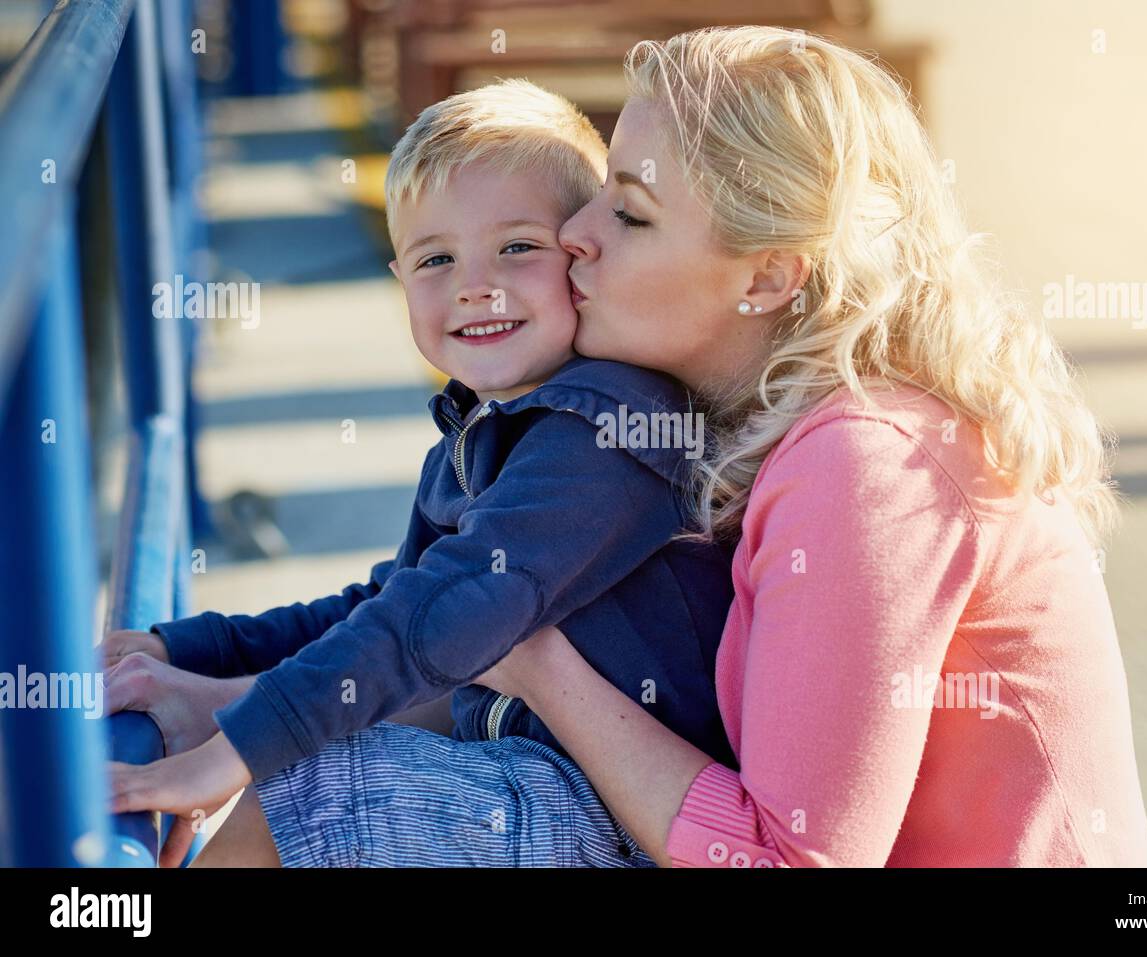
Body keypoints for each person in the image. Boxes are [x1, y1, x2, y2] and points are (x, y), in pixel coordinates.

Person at [115, 24, 1147, 867]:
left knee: (322, 800)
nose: (579, 235)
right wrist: (205, 664)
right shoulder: (755, 424)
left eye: (633, 214)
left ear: (765, 277)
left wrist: (537, 666)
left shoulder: (865, 467)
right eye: (602, 189)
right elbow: (410, 603)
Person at [103, 79, 737, 868]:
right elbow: (390, 599)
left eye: (517, 246)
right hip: (539, 776)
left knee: (324, 790)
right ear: (402, 276)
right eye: (436, 258)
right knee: (318, 758)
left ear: (579, 259)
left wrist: (225, 753)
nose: (476, 283)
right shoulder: (482, 428)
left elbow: (436, 613)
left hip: (627, 816)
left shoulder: (608, 429)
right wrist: (197, 650)